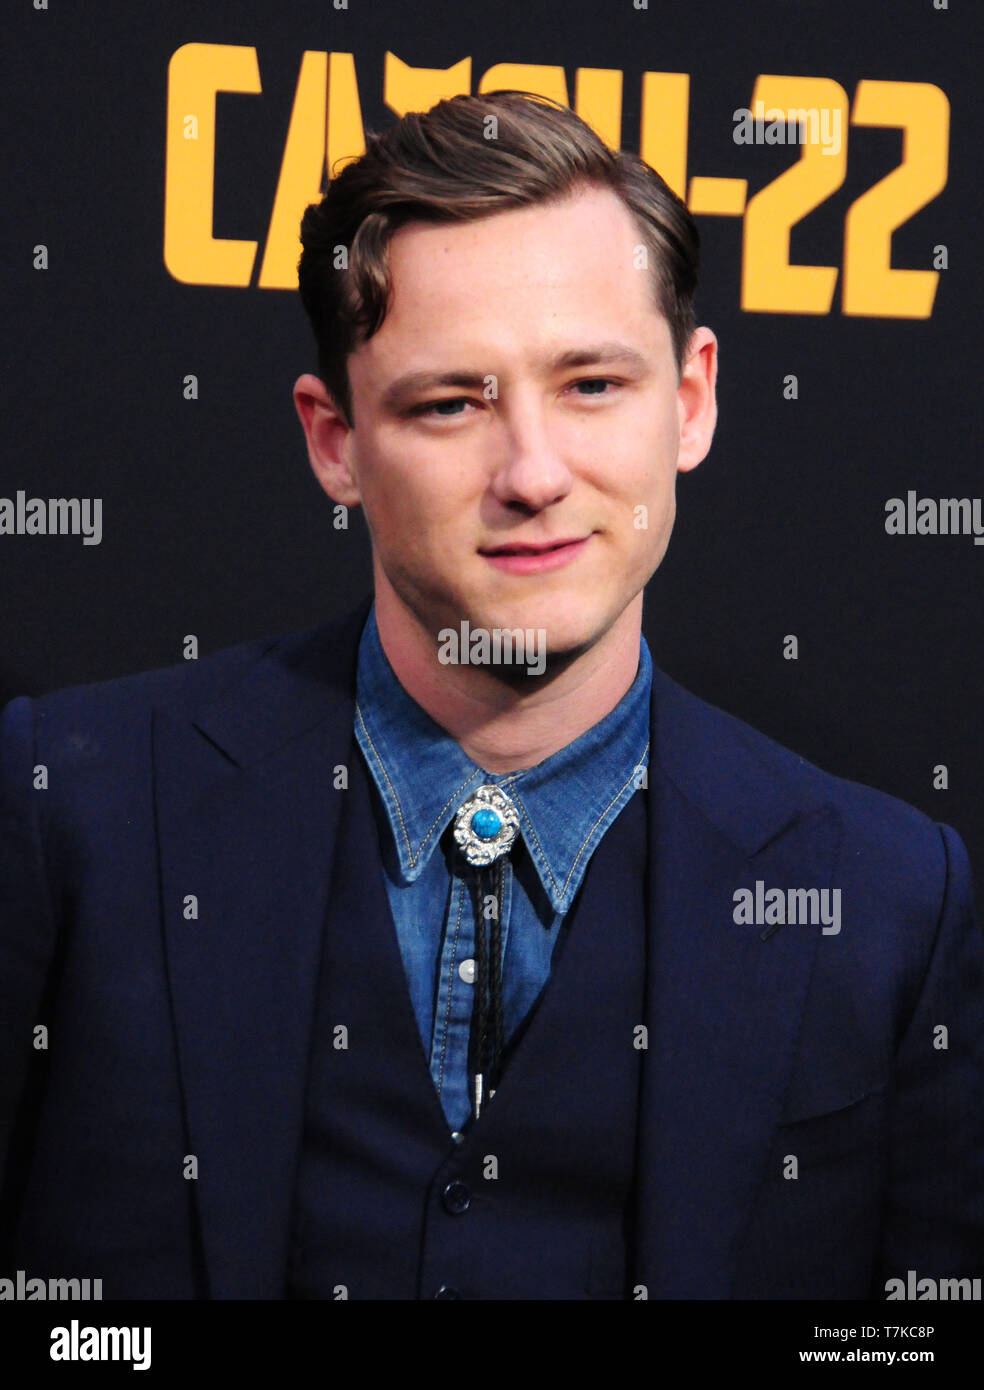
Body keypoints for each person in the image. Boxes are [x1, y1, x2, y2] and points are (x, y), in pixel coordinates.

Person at [1, 91, 982, 1301]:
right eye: (451, 402)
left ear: (691, 399)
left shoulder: (888, 898)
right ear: (335, 441)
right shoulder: (74, 808)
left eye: (591, 386)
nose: (531, 473)